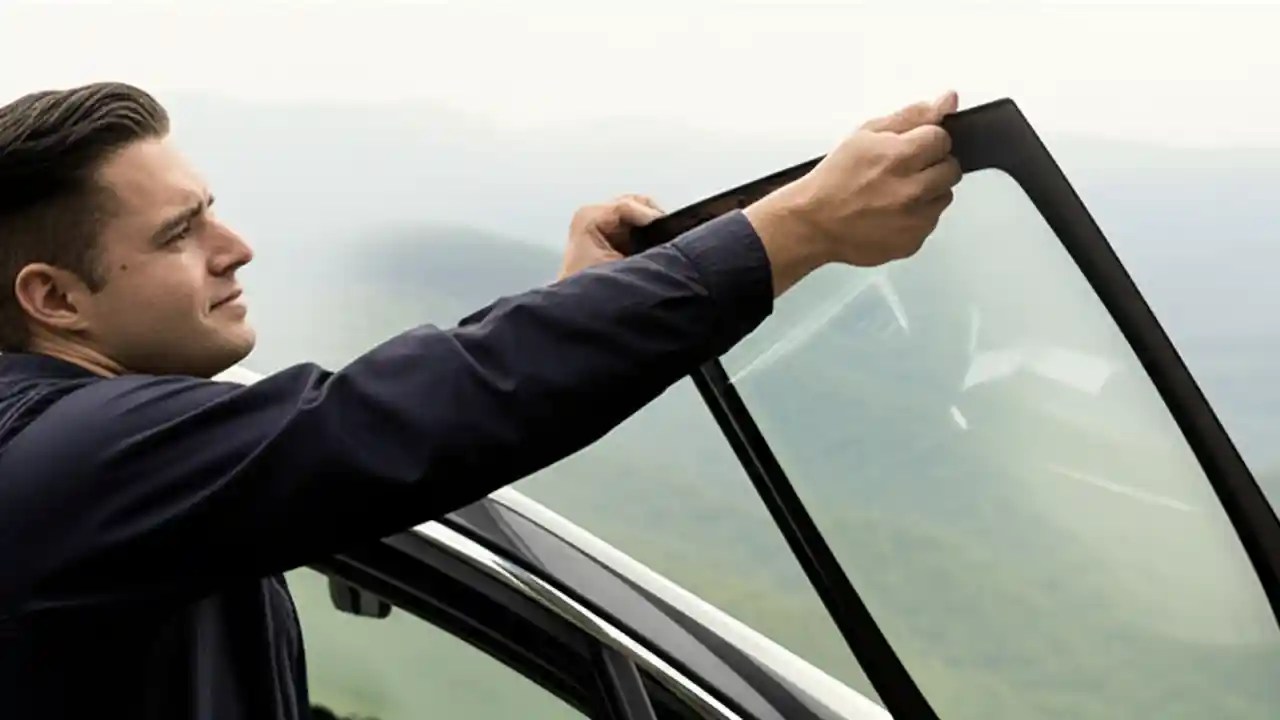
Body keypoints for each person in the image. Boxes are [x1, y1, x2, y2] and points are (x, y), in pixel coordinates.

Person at [0, 81, 962, 719]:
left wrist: (571, 304)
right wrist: (796, 229)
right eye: (180, 233)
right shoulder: (71, 465)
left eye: (211, 209)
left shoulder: (100, 470)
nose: (236, 247)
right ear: (54, 299)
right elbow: (402, 416)